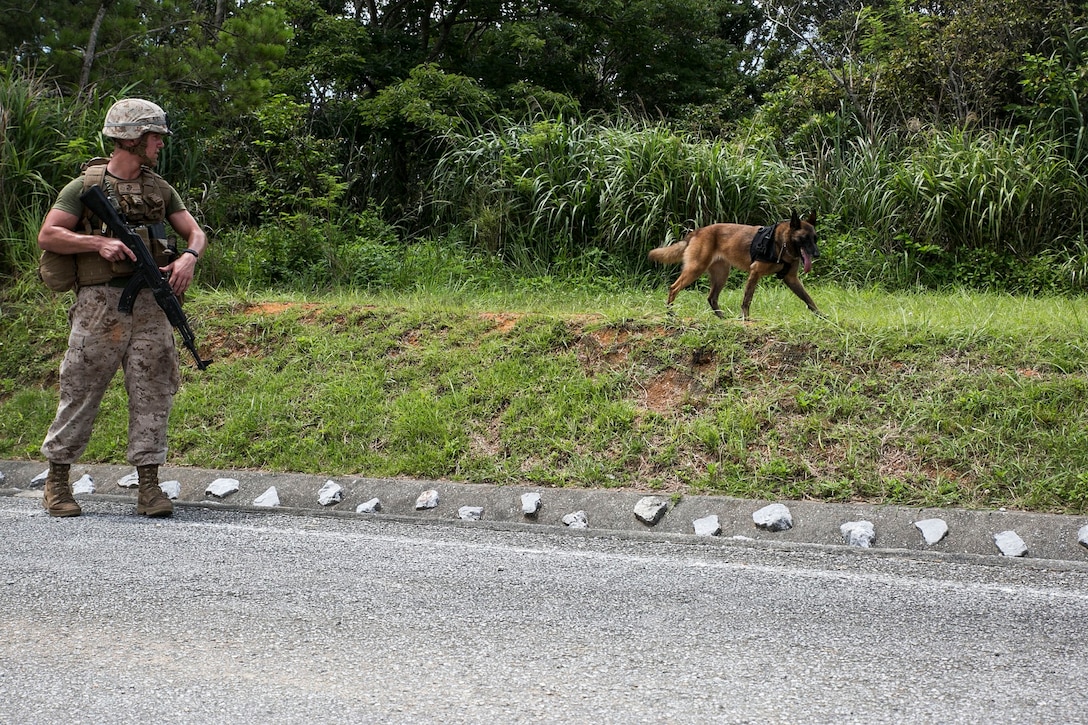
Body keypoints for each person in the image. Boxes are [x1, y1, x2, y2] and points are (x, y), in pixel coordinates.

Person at [37, 98, 207, 518]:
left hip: (150, 304)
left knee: (154, 390)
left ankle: (149, 487)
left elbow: (195, 233)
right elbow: (49, 234)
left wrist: (188, 257)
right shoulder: (83, 188)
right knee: (80, 390)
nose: (160, 145)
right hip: (99, 306)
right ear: (131, 138)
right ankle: (57, 483)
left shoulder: (159, 188)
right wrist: (98, 242)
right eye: (155, 137)